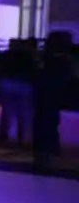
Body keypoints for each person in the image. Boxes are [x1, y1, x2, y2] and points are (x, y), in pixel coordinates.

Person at [33, 31, 77, 166]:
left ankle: (43, 151)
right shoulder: (66, 62)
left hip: (44, 93)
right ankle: (49, 151)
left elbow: (40, 75)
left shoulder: (46, 59)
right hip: (56, 94)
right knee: (50, 122)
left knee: (43, 121)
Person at [0, 39, 35, 148]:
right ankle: (21, 138)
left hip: (7, 83)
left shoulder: (4, 56)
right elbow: (33, 72)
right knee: (23, 113)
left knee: (7, 112)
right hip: (23, 85)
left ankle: (4, 136)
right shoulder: (28, 58)